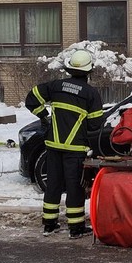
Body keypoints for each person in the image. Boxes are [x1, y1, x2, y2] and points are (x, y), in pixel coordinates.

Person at [25, 50, 105, 238]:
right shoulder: (91, 94)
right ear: (89, 71)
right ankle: (76, 228)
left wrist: (44, 116)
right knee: (74, 187)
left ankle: (49, 224)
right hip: (75, 149)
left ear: (69, 69)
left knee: (53, 184)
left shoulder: (55, 86)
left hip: (53, 146)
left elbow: (31, 98)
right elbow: (95, 124)